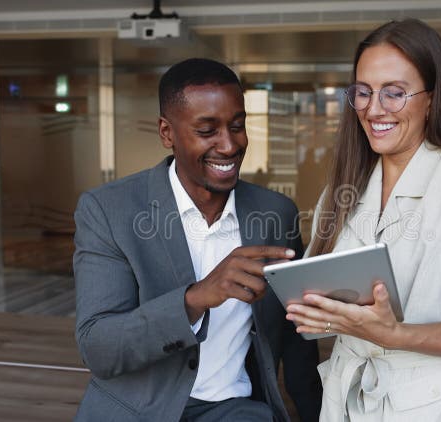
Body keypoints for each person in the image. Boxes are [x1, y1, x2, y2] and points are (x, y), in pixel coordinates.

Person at [285, 19, 441, 421]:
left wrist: (394, 334)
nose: (374, 109)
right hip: (344, 397)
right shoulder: (342, 188)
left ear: (431, 98)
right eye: (363, 92)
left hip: (428, 403)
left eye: (394, 93)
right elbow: (320, 308)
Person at [73, 58, 322, 422]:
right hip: (136, 410)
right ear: (166, 133)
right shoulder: (109, 210)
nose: (229, 145)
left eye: (237, 126)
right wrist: (195, 298)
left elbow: (295, 337)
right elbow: (99, 347)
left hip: (234, 409)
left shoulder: (276, 213)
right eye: (207, 130)